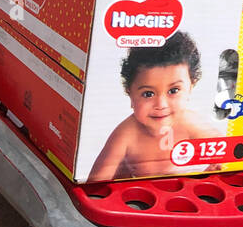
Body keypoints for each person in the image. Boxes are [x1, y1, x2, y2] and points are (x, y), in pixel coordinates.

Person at [88, 31, 223, 182]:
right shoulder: (126, 134)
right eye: (148, 94)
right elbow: (95, 182)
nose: (161, 105)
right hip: (137, 199)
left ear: (190, 87)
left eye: (173, 91)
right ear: (130, 93)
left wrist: (211, 171)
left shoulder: (190, 124)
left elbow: (228, 155)